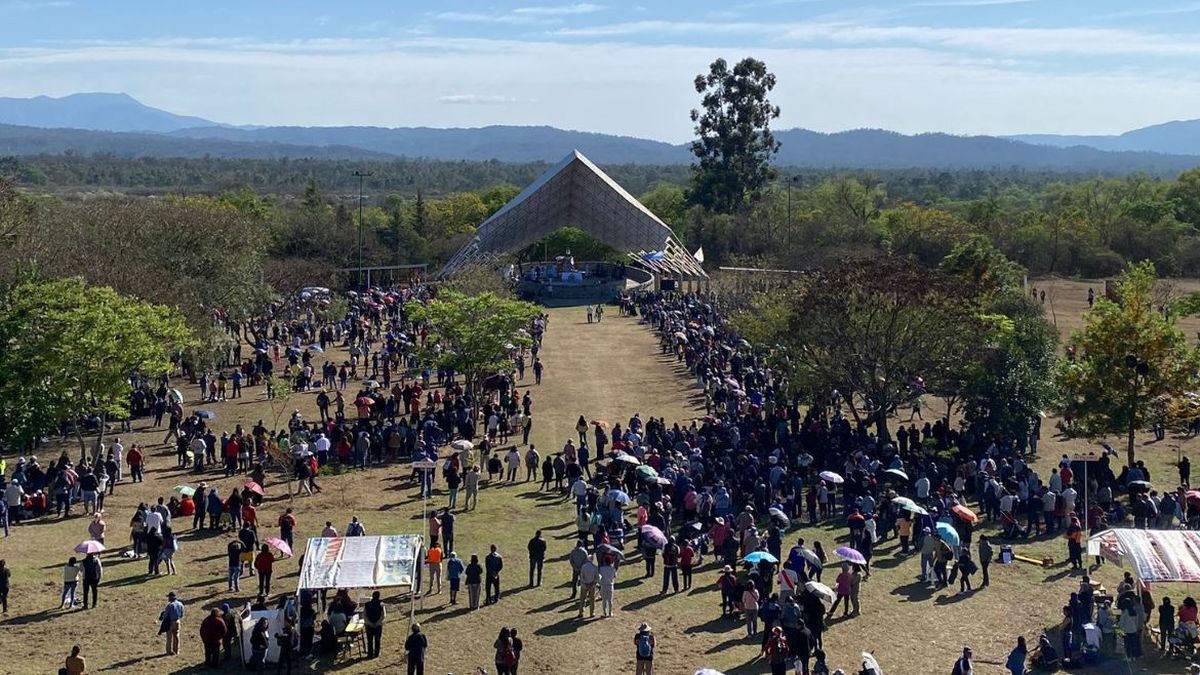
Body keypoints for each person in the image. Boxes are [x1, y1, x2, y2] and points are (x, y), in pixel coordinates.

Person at [160, 591, 185, 656]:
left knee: (169, 637)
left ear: (171, 597)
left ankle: (169, 652)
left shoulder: (170, 605)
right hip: (177, 621)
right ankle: (176, 651)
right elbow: (182, 614)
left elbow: (165, 615)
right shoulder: (180, 604)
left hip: (170, 622)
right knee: (176, 636)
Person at [364, 590, 385, 659]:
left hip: (369, 626)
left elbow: (365, 615)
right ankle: (376, 653)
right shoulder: (381, 604)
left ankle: (370, 654)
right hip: (378, 626)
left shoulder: (367, 604)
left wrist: (369, 623)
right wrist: (377, 623)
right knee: (377, 640)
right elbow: (383, 615)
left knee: (369, 640)